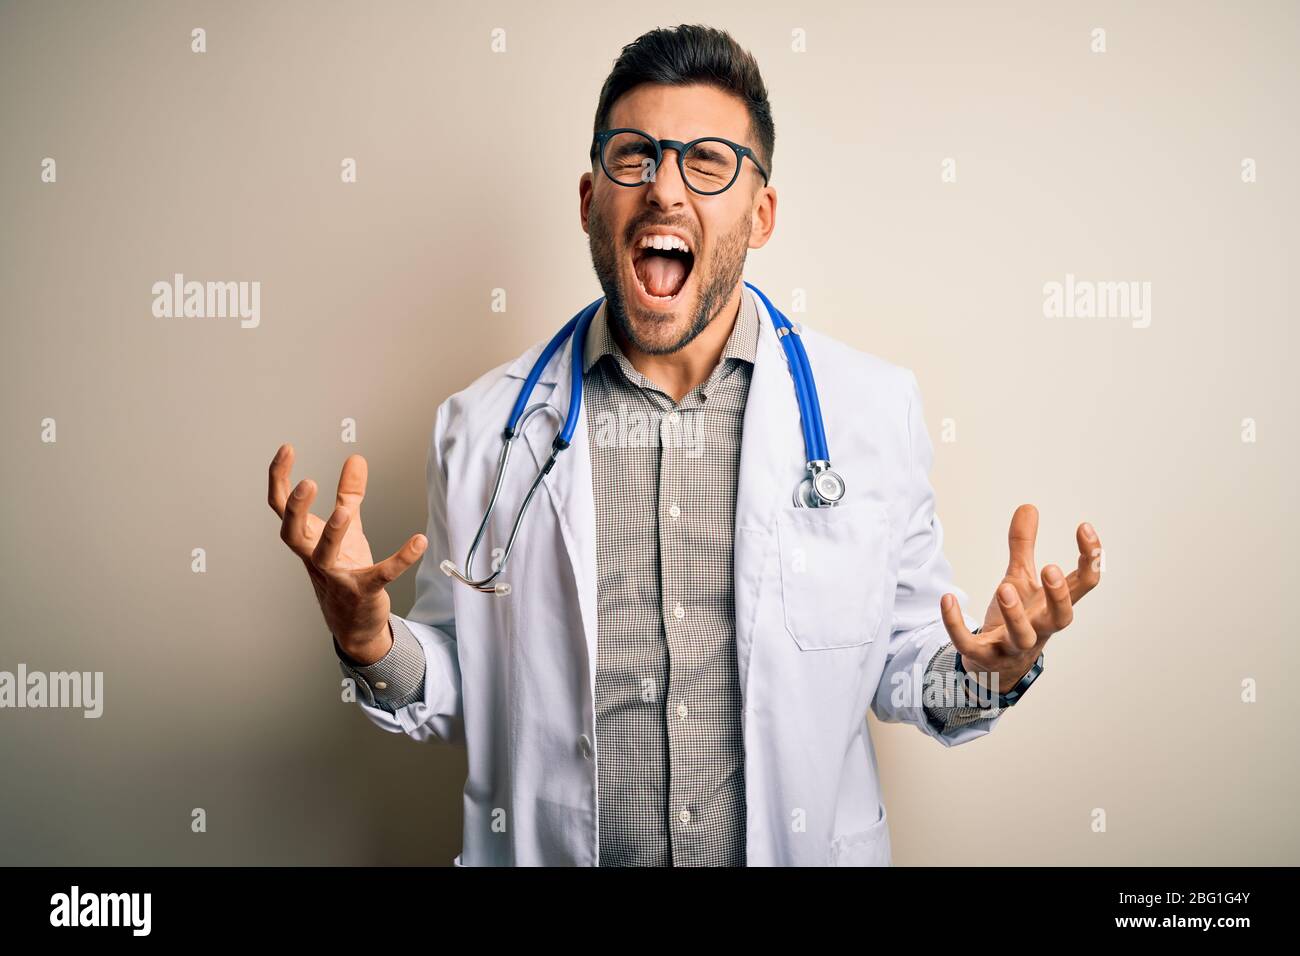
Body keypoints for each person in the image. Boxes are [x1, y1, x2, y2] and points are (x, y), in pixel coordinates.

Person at [267, 24, 1102, 866]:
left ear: (761, 213)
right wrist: (370, 643)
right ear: (591, 199)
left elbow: (902, 666)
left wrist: (990, 670)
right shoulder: (481, 430)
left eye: (707, 162)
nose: (665, 188)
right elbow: (460, 688)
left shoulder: (869, 412)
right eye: (635, 156)